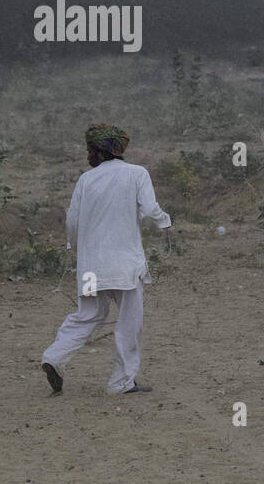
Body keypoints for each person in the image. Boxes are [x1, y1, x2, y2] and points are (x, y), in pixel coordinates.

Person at [40, 124, 171, 395]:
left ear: (103, 151)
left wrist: (78, 250)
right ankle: (121, 383)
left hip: (91, 268)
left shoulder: (85, 180)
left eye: (91, 150)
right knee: (129, 324)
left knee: (86, 316)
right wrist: (165, 222)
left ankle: (54, 357)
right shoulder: (137, 173)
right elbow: (149, 209)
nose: (88, 155)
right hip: (125, 267)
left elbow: (72, 221)